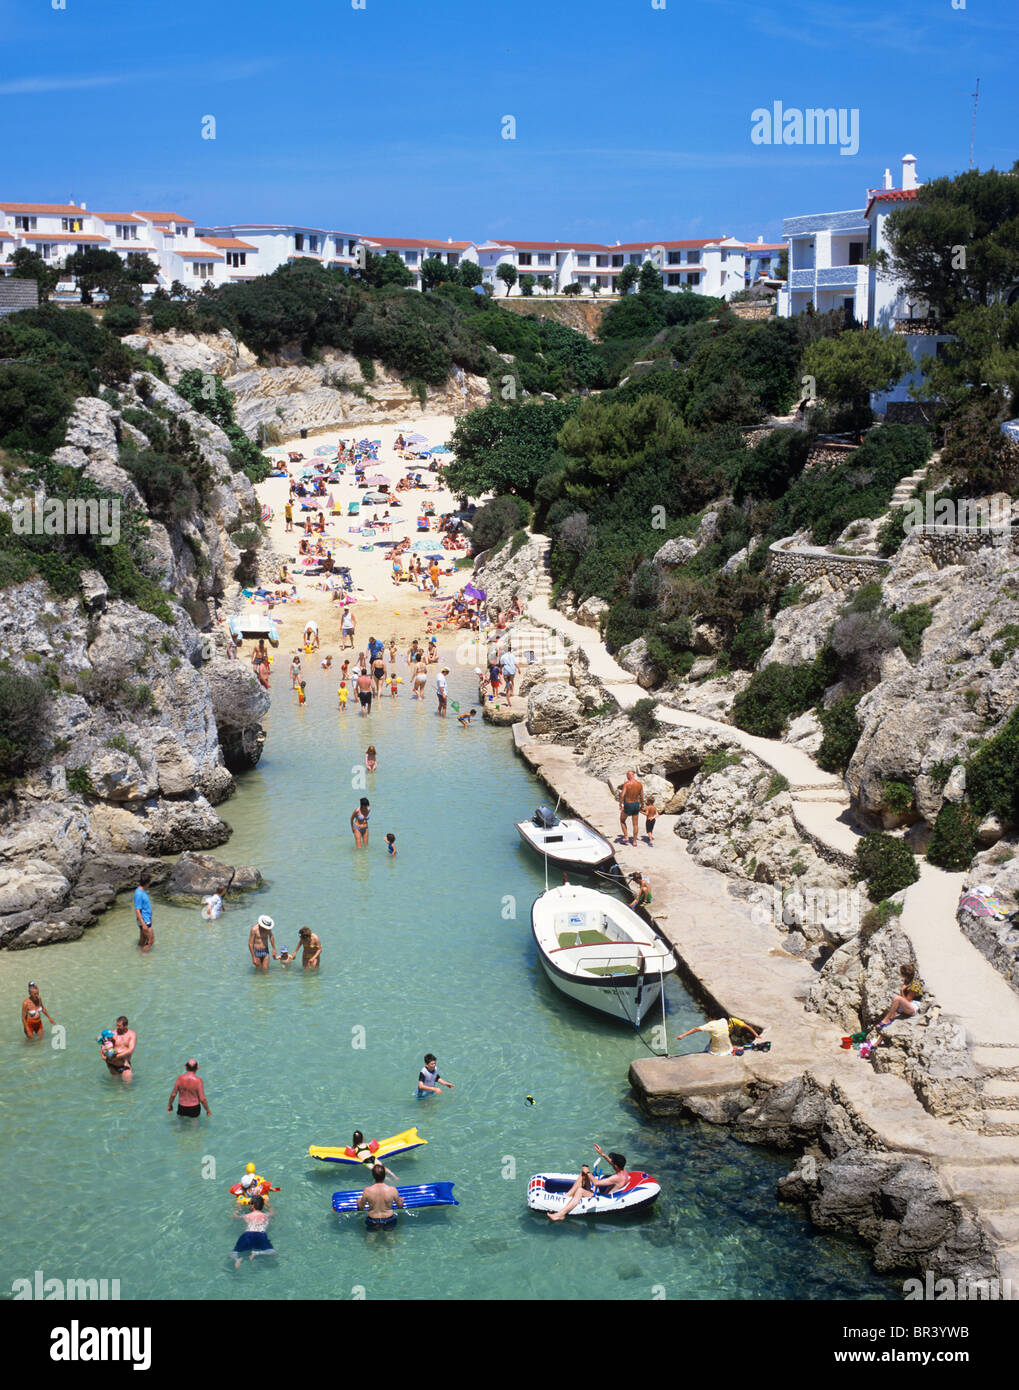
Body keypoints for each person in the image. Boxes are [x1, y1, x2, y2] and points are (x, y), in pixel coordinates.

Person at [547, 1146, 630, 1223]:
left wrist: (588, 1172)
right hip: (603, 1194)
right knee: (583, 1174)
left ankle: (561, 1214)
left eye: (612, 1162)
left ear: (616, 1166)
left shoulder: (616, 1178)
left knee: (580, 1190)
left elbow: (596, 1183)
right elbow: (612, 1163)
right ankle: (567, 1196)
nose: (611, 1162)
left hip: (602, 1199)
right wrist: (602, 1154)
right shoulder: (623, 1172)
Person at [675, 1016, 759, 1055]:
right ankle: (731, 1046)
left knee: (709, 1046)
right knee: (725, 1038)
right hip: (726, 1038)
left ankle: (705, 1053)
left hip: (717, 1051)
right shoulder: (724, 1022)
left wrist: (682, 1035)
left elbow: (696, 1029)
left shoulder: (715, 1024)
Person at [357, 1162, 404, 1231]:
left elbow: (361, 1207)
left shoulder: (367, 1190)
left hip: (373, 1219)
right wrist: (401, 1200)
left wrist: (358, 1202)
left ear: (373, 1175)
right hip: (389, 1218)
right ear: (385, 1175)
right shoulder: (392, 1190)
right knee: (391, 1238)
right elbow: (400, 1206)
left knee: (370, 1238)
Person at [232, 1194, 275, 1267]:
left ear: (252, 1206)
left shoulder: (246, 1216)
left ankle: (237, 1259)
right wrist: (268, 1204)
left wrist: (238, 1207)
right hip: (261, 1234)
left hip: (247, 1234)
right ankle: (256, 1253)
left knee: (233, 1253)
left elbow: (234, 1217)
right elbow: (273, 1212)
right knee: (273, 1252)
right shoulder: (266, 1215)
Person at [101, 1016, 137, 1083]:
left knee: (128, 1085)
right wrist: (103, 1056)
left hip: (124, 1065)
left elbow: (130, 1050)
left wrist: (116, 1057)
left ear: (125, 1026)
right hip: (112, 1065)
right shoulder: (112, 1033)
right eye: (116, 1025)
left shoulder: (132, 1034)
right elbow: (103, 1044)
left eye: (119, 1026)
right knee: (116, 1087)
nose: (117, 1027)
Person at [619, 770, 644, 847]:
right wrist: (642, 805)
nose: (626, 777)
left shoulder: (627, 784)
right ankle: (634, 842)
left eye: (627, 776)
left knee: (622, 820)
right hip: (636, 804)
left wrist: (620, 804)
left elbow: (622, 795)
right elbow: (642, 797)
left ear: (629, 775)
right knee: (635, 824)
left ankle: (626, 836)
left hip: (628, 804)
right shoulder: (639, 784)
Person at [134, 871, 154, 952]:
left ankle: (139, 954)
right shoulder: (139, 894)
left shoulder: (142, 891)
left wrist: (150, 918)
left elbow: (146, 907)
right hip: (144, 921)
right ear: (147, 882)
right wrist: (143, 924)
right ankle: (144, 956)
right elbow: (137, 910)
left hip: (146, 919)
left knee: (142, 940)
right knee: (151, 941)